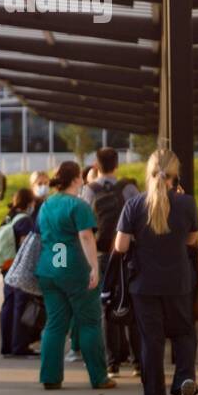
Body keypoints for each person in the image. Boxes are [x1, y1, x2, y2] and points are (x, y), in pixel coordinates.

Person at [114, 149, 198, 395]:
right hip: (178, 282)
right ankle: (184, 378)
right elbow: (192, 240)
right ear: (176, 175)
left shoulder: (135, 205)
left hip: (144, 285)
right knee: (184, 333)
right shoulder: (187, 203)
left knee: (151, 342)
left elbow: (120, 245)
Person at [34, 161, 114, 390]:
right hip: (75, 270)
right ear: (77, 179)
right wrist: (94, 268)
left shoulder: (47, 204)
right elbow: (86, 237)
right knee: (89, 322)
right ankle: (99, 377)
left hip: (49, 269)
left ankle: (50, 377)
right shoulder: (78, 206)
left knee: (55, 324)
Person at [81, 147, 142, 375]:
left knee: (107, 306)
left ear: (96, 166)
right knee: (132, 303)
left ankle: (112, 362)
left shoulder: (89, 191)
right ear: (117, 165)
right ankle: (137, 362)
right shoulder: (128, 188)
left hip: (101, 255)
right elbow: (141, 217)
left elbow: (84, 224)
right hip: (126, 254)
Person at [0, 187, 38, 357]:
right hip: (19, 268)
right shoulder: (25, 221)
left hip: (7, 267)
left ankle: (7, 345)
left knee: (8, 305)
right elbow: (25, 246)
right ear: (29, 203)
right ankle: (19, 346)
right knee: (21, 306)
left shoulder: (8, 217)